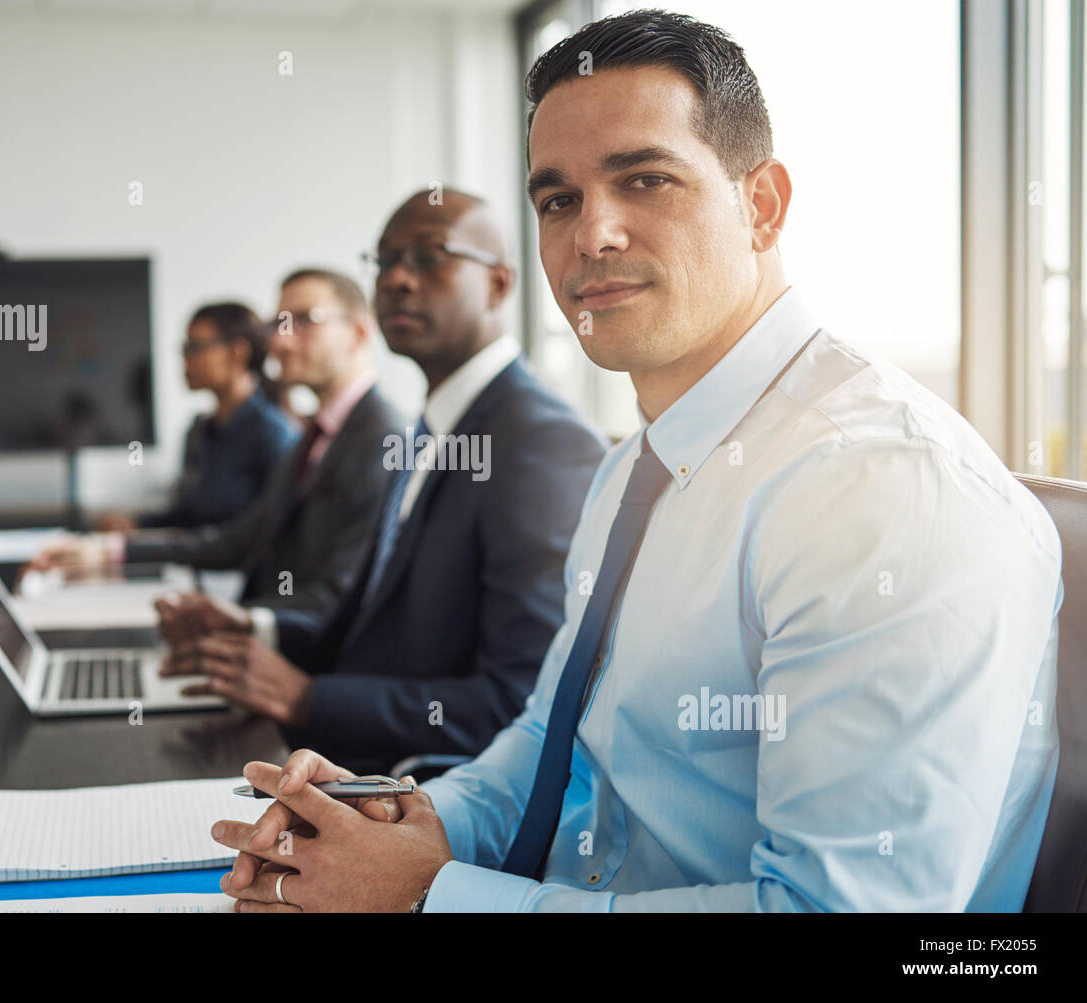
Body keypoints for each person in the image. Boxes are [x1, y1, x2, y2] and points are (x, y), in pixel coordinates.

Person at [211, 9, 1063, 913]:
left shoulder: (880, 492)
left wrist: (435, 898)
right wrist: (408, 821)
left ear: (762, 205)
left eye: (645, 179)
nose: (593, 236)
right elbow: (552, 739)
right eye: (558, 200)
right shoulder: (634, 469)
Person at [156, 189, 607, 774]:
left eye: (427, 256)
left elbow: (518, 703)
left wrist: (306, 698)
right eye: (385, 260)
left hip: (417, 794)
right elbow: (379, 622)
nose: (396, 279)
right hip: (342, 758)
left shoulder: (540, 439)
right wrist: (256, 630)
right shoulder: (431, 426)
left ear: (498, 284)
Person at [31, 269, 403, 625]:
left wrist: (241, 625)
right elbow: (244, 536)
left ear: (358, 333)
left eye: (304, 320)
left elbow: (341, 594)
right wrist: (112, 550)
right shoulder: (314, 434)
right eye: (277, 324)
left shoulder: (383, 437)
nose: (280, 340)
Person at [94, 302, 298, 534]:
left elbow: (266, 535)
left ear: (237, 352)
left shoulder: (273, 433)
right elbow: (191, 519)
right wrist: (136, 524)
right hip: (200, 565)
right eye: (184, 348)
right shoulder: (200, 431)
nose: (185, 359)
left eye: (194, 347)